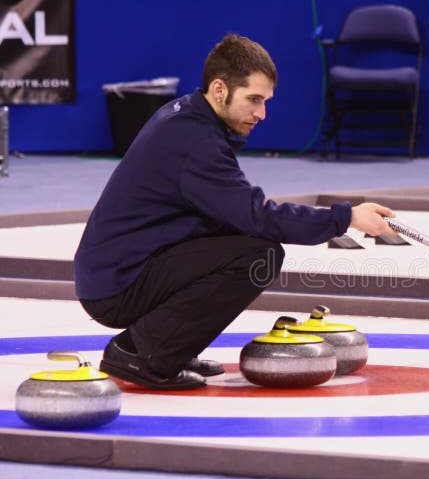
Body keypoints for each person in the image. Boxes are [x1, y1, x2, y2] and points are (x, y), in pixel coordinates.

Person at [74, 34, 394, 390]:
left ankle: (168, 346)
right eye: (253, 99)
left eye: (265, 101)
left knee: (238, 235)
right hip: (118, 285)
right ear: (219, 89)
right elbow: (260, 216)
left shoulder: (188, 115)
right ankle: (142, 352)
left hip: (117, 270)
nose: (261, 114)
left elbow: (237, 214)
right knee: (259, 255)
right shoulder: (196, 142)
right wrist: (346, 217)